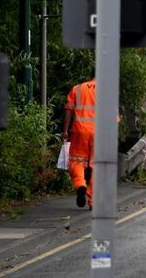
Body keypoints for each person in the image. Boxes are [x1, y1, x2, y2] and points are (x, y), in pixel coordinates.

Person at [63, 79, 96, 209]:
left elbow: (68, 109)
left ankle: (80, 185)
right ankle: (93, 201)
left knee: (76, 162)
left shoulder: (78, 88)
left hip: (79, 131)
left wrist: (65, 130)